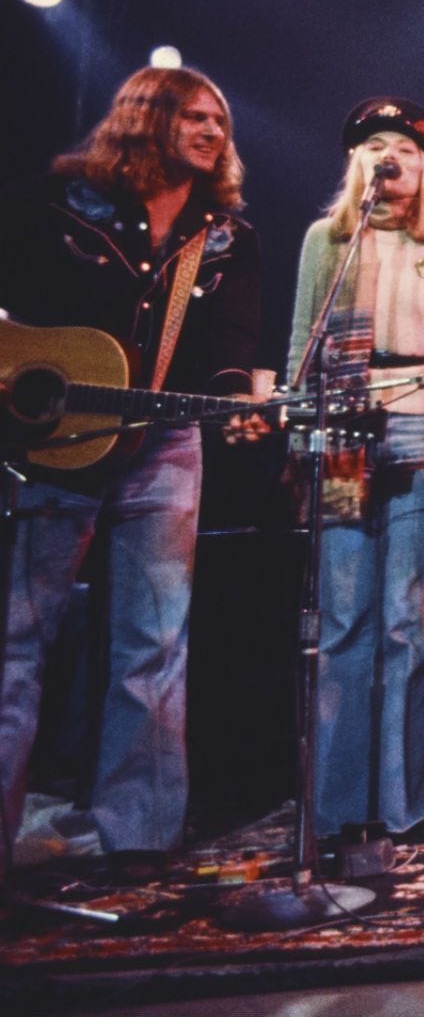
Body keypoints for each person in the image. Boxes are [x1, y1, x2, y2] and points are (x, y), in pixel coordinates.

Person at [1, 66, 264, 879]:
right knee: (18, 640)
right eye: (194, 116)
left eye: (220, 120)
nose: (213, 131)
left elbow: (232, 346)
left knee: (154, 637)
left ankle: (138, 836)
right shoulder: (59, 204)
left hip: (166, 439)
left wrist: (239, 402)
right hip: (58, 441)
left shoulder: (226, 236)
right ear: (146, 117)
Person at [288, 98, 424, 848]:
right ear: (356, 162)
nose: (388, 155)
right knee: (345, 618)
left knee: (409, 618)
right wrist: (298, 435)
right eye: (374, 144)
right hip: (345, 421)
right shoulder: (328, 240)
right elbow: (302, 340)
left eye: (403, 144)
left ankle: (400, 805)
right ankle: (339, 809)